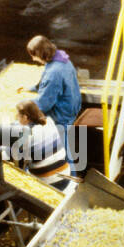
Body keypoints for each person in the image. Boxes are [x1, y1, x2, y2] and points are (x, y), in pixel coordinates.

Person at [23, 36, 82, 165]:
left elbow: (44, 104)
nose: (33, 59)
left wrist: (24, 104)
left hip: (61, 114)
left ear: (40, 54)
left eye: (33, 55)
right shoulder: (61, 58)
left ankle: (71, 177)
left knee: (64, 148)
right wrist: (30, 89)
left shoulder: (54, 73)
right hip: (72, 104)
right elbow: (45, 84)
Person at [0, 101, 71, 189]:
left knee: (7, 154)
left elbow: (18, 165)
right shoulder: (49, 122)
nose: (17, 119)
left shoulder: (27, 136)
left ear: (25, 117)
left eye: (18, 116)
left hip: (50, 185)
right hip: (66, 176)